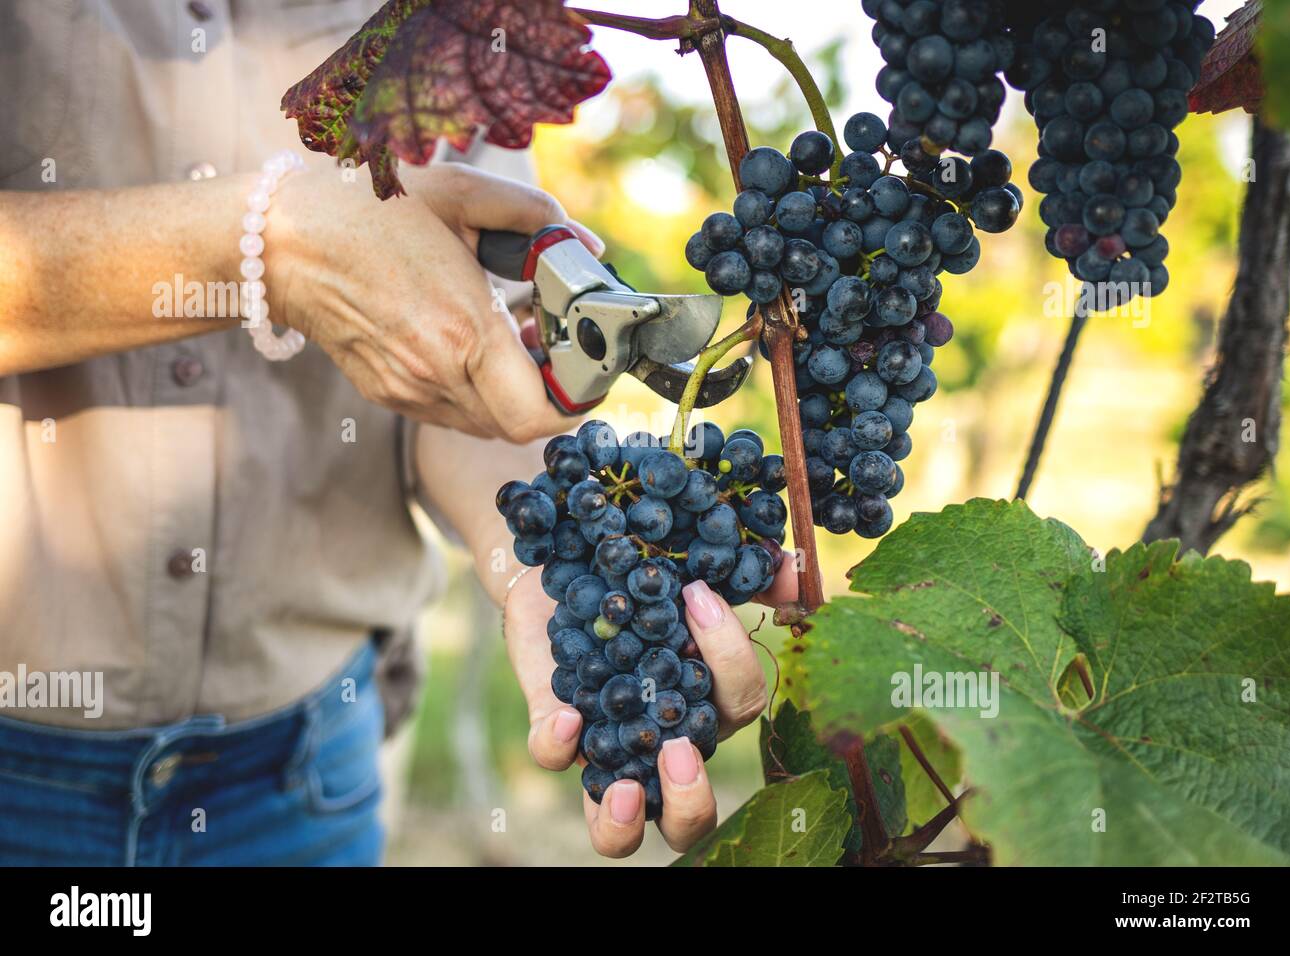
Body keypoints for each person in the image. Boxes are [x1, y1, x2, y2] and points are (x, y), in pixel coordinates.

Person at [0, 0, 786, 863]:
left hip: (307, 768)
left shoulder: (456, 17)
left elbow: (457, 355)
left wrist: (533, 557)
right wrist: (271, 246)